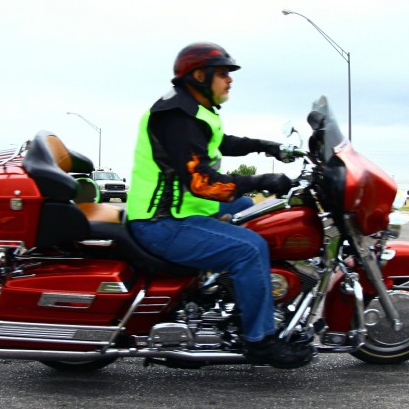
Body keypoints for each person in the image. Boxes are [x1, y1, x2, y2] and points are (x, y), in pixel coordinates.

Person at [125, 42, 313, 369]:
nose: (229, 80)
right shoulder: (177, 116)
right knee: (250, 248)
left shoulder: (195, 110)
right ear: (200, 75)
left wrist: (268, 147)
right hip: (162, 222)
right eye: (223, 73)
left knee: (261, 213)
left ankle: (244, 298)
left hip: (184, 210)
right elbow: (202, 182)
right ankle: (259, 340)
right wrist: (261, 182)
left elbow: (221, 143)